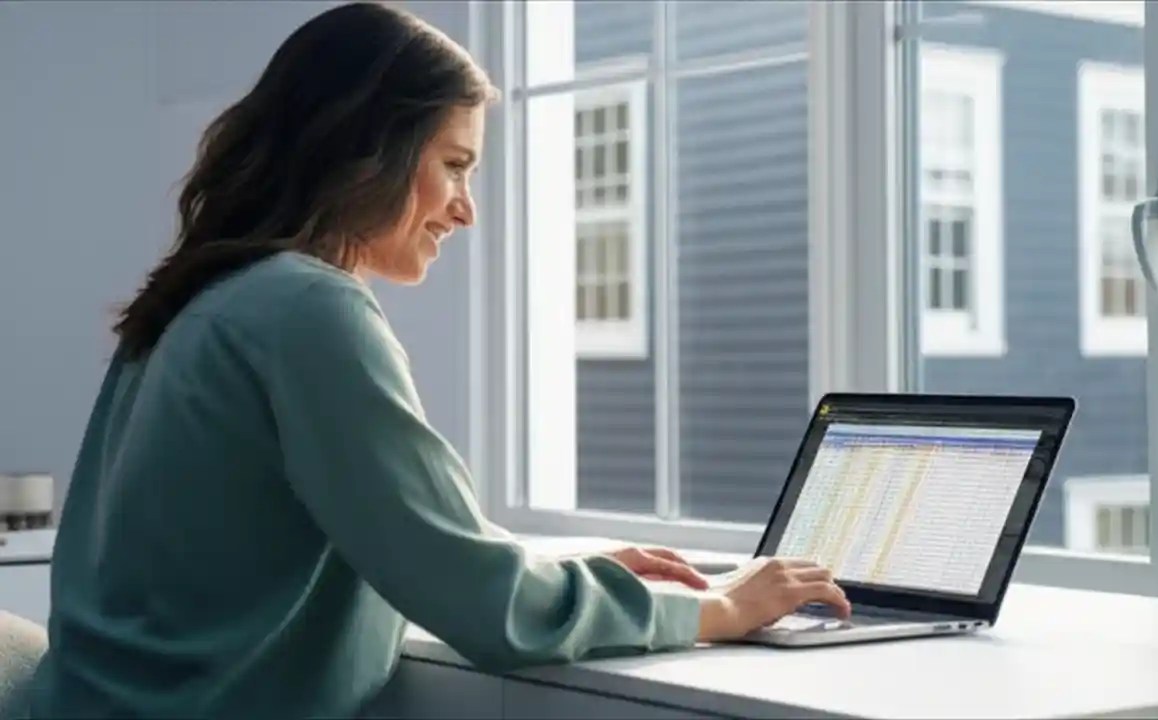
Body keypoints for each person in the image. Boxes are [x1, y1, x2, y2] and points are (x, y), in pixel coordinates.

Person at [17, 2, 851, 717]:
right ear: (364, 149)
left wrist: (559, 568)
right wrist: (715, 608)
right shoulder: (308, 309)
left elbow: (410, 539)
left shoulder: (200, 294)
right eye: (454, 165)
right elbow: (480, 605)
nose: (466, 209)